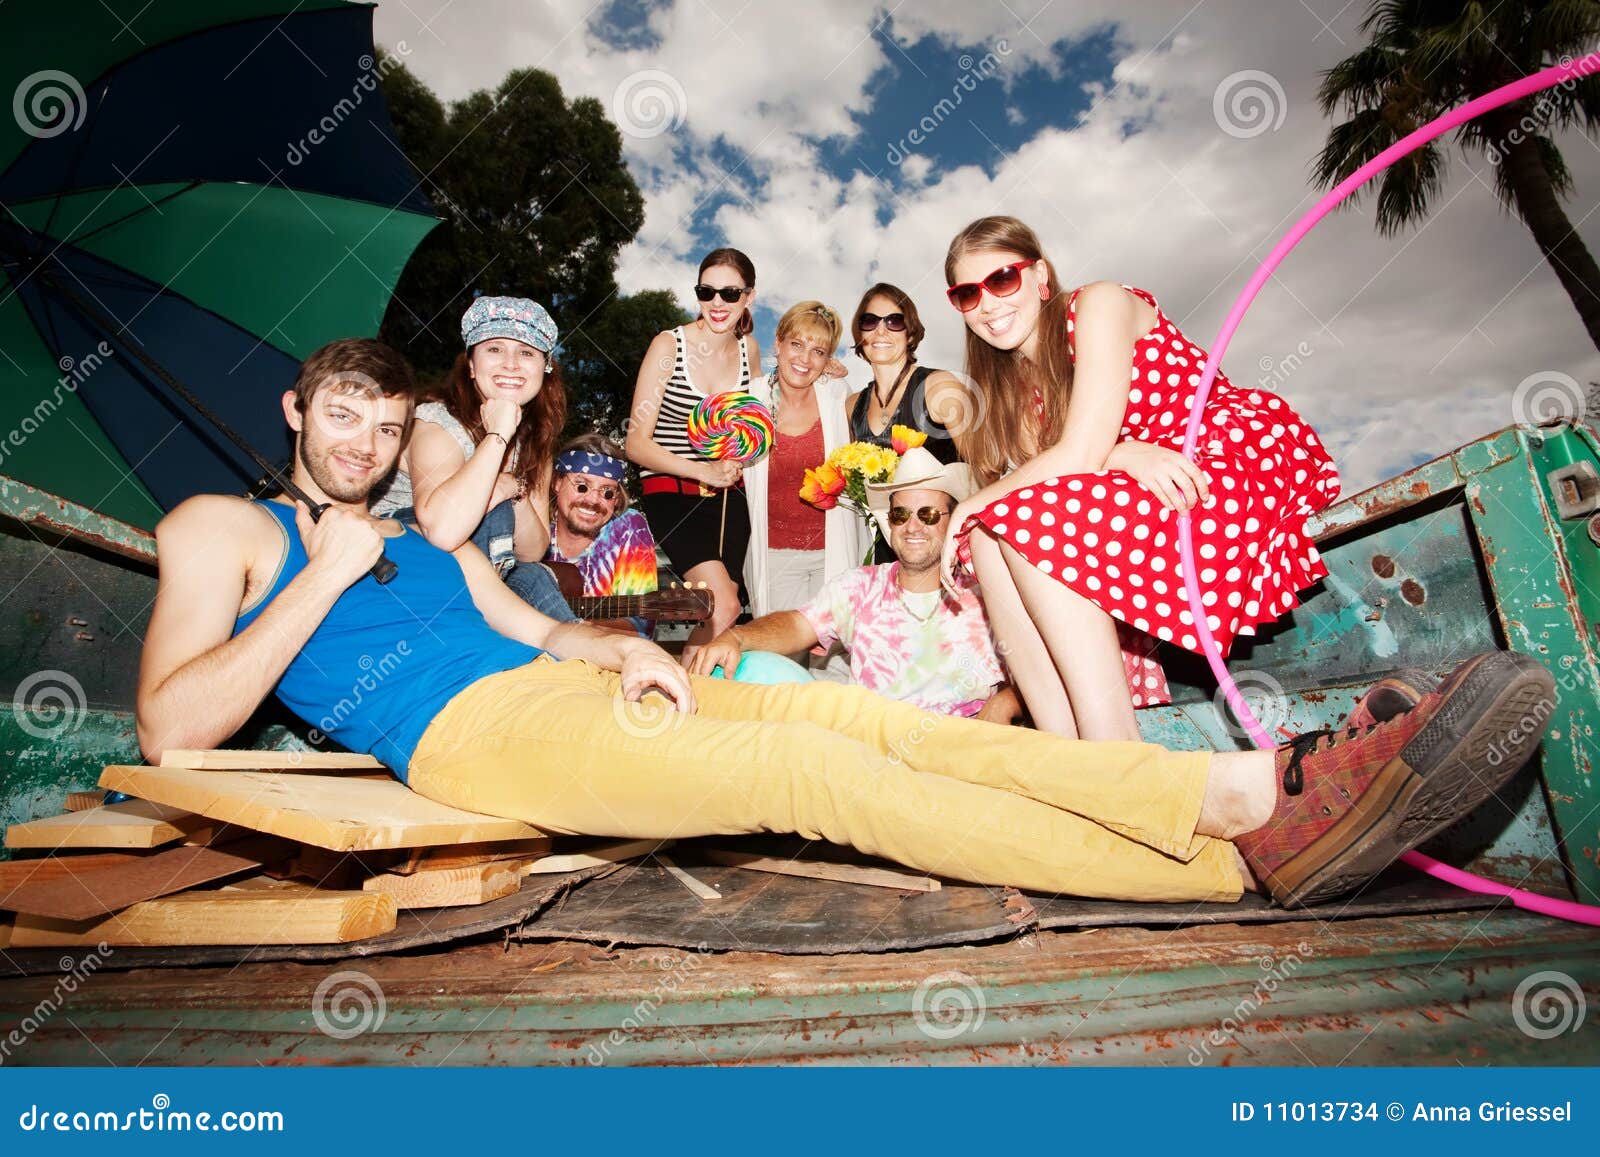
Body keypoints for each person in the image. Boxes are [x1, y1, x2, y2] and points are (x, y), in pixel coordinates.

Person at [135, 336, 1557, 912]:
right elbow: (171, 727)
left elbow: (530, 618)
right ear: (294, 415)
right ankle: (1235, 871)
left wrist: (626, 644)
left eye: (385, 425)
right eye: (343, 416)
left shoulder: (414, 538)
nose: (367, 441)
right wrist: (318, 574)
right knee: (811, 782)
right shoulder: (227, 531)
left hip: (556, 690)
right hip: (460, 739)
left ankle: (1239, 787)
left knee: (865, 716)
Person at [941, 216, 1342, 743]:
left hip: (1217, 452)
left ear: (1040, 277)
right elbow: (1080, 460)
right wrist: (1124, 454)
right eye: (967, 293)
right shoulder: (1018, 393)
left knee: (1014, 518)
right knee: (990, 538)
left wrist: (969, 505)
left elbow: (1081, 451)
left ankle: (1116, 748)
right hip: (1142, 482)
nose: (988, 304)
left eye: (1002, 280)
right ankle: (1067, 751)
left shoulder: (1098, 303)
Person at [692, 446, 1020, 723]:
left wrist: (1008, 700)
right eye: (900, 515)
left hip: (962, 748)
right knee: (754, 675)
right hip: (868, 748)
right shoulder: (861, 587)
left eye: (929, 515)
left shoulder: (986, 594)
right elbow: (796, 623)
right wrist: (737, 637)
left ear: (954, 522)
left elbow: (1049, 666)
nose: (913, 526)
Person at [371, 295, 575, 623]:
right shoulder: (436, 423)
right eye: (494, 349)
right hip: (397, 569)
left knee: (535, 576)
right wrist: (497, 437)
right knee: (492, 511)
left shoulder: (536, 443)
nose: (511, 363)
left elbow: (531, 550)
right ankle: (480, 638)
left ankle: (575, 659)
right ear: (471, 365)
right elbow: (443, 531)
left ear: (545, 369)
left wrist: (512, 487)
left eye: (526, 352)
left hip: (484, 574)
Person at [627, 248, 760, 657]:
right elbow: (635, 443)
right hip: (671, 492)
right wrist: (701, 470)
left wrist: (823, 371)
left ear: (749, 297)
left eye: (730, 293)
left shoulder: (747, 350)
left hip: (728, 501)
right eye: (707, 292)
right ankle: (681, 694)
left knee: (723, 608)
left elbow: (754, 425)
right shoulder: (670, 345)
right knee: (722, 602)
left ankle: (693, 695)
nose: (717, 303)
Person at [742, 300, 870, 622]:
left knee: (838, 662)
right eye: (797, 344)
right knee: (780, 661)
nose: (804, 359)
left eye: (818, 351)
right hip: (774, 559)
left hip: (836, 553)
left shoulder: (837, 393)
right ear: (778, 343)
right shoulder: (749, 399)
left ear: (828, 360)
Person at [845, 283, 977, 562]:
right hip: (889, 544)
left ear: (911, 333)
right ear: (860, 334)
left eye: (894, 321)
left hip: (946, 541)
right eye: (869, 322)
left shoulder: (939, 387)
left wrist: (967, 543)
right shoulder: (852, 405)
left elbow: (985, 468)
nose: (881, 331)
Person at [545, 432, 658, 636]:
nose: (593, 501)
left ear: (616, 499)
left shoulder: (629, 528)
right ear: (557, 483)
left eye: (607, 492)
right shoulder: (534, 526)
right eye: (582, 486)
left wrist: (579, 626)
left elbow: (639, 628)